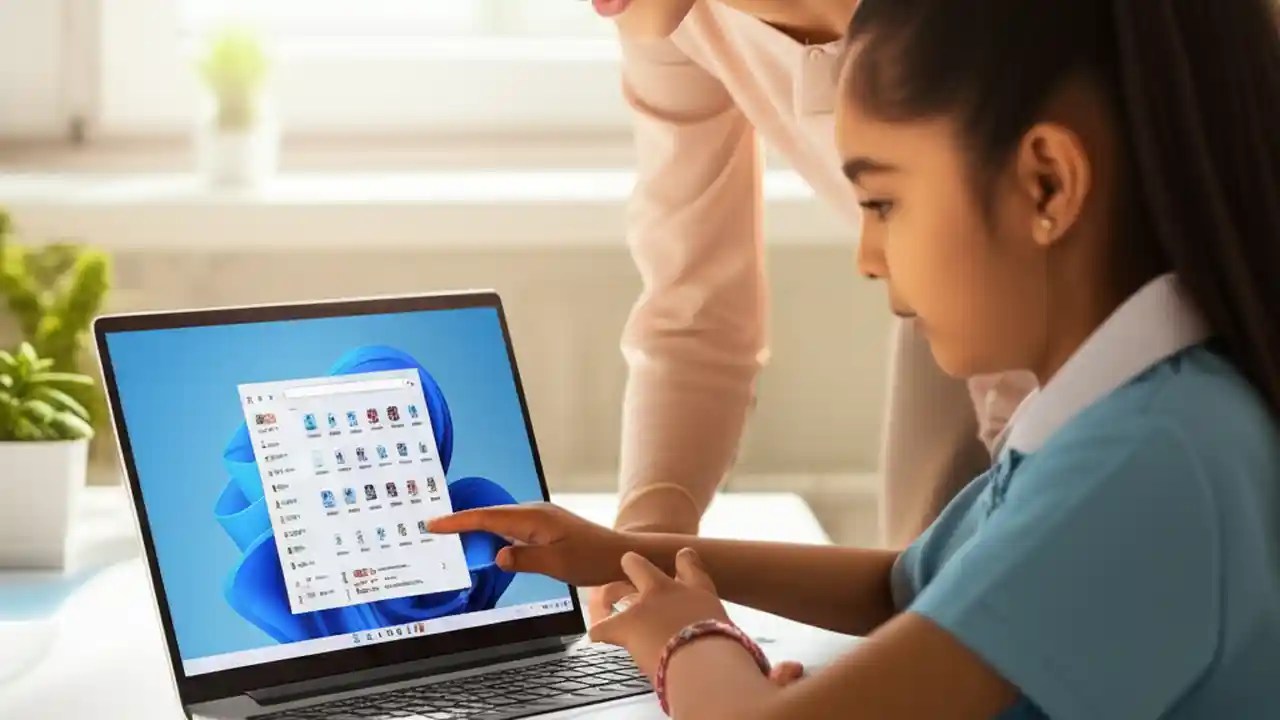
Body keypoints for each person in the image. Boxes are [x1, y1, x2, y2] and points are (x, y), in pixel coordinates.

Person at [430, 0, 1280, 716]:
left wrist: (688, 639)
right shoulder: (1126, 422)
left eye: (882, 201)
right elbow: (912, 587)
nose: (865, 254)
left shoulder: (1142, 464)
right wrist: (622, 548)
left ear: (1048, 185)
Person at [600, 0, 1039, 579]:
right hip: (958, 292)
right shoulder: (671, 14)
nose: (866, 261)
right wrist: (644, 550)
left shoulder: (983, 37)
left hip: (1072, 302)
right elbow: (692, 310)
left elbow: (1039, 548)